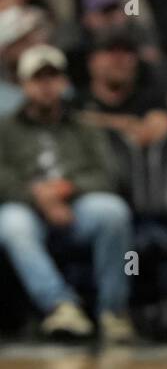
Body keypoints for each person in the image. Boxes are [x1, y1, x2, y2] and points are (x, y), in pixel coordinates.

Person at [0, 44, 135, 341]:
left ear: (64, 82)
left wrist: (67, 189)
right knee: (10, 224)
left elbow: (107, 176)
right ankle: (60, 305)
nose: (46, 86)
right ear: (23, 84)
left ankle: (113, 311)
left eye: (53, 77)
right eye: (38, 78)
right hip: (26, 208)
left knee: (114, 212)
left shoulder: (85, 127)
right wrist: (37, 196)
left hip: (77, 208)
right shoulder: (5, 129)